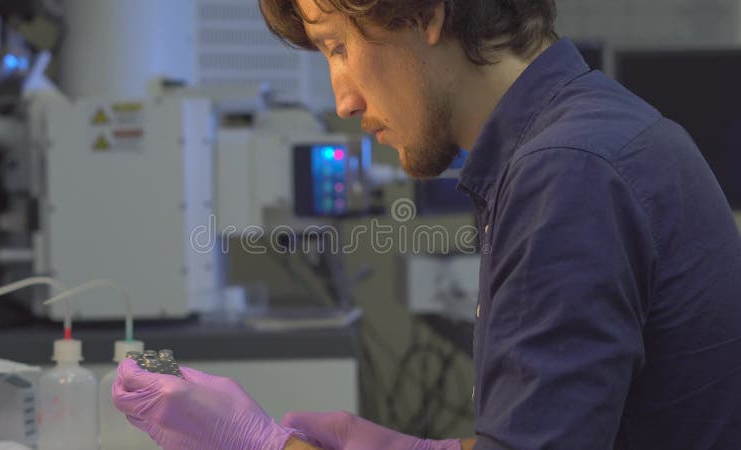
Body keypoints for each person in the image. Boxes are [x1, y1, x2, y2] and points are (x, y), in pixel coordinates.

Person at [112, 0, 741, 448]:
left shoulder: (567, 174)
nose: (343, 99)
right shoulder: (584, 135)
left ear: (426, 13)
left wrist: (260, 446)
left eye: (338, 46)